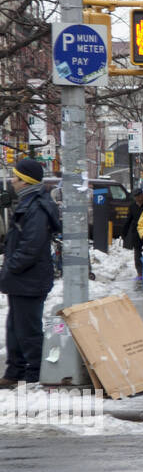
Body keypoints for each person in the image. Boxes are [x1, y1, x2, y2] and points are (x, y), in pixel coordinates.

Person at [0, 159, 61, 387]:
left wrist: (10, 267)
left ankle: (36, 373)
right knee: (15, 327)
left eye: (15, 178)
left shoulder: (36, 207)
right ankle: (14, 372)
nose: (12, 182)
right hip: (22, 279)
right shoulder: (29, 202)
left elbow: (31, 247)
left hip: (29, 278)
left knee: (28, 329)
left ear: (26, 182)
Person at [121, 189, 143, 286]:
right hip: (136, 233)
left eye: (139, 196)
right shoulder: (133, 206)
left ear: (142, 195)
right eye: (135, 197)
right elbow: (128, 220)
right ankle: (140, 273)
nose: (138, 199)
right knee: (137, 254)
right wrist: (124, 233)